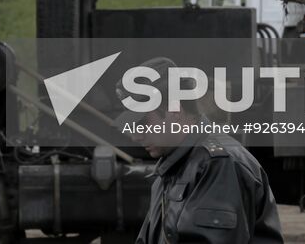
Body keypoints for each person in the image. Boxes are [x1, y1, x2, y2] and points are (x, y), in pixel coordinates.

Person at [117, 57, 283, 244]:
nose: (135, 136)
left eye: (142, 123)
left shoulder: (218, 165)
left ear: (174, 111)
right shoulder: (172, 170)